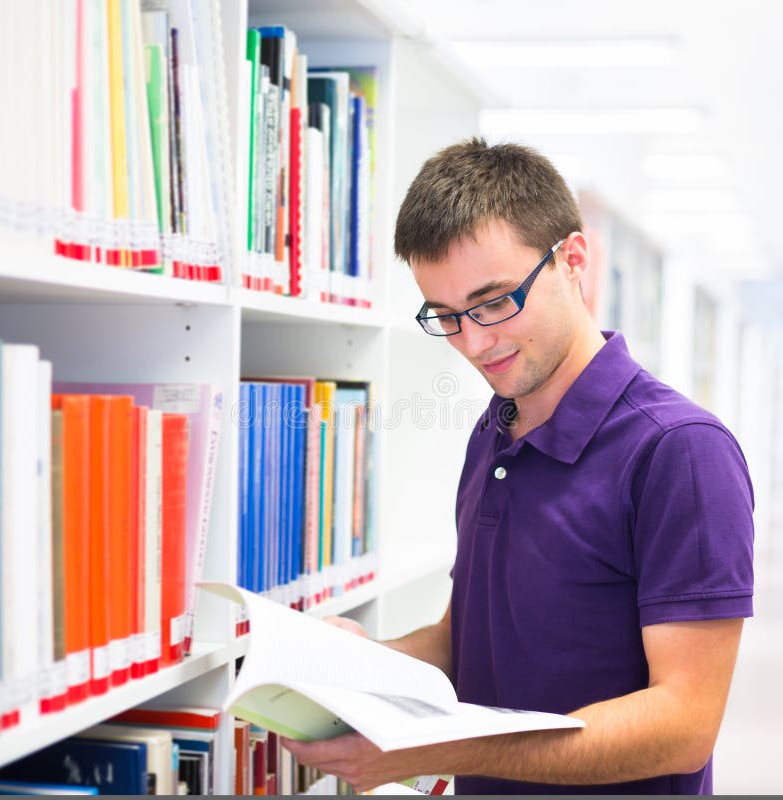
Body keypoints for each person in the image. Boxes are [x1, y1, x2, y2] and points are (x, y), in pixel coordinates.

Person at [283, 139, 755, 794]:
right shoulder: (496, 428)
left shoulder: (680, 452)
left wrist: (440, 747)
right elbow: (465, 642)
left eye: (495, 300)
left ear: (575, 262)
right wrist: (365, 664)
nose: (473, 343)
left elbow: (683, 724)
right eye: (445, 316)